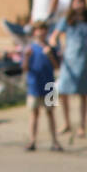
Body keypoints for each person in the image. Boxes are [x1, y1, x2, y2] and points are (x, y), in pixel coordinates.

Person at [51, 0, 87, 146]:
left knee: (83, 94)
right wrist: (57, 48)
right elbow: (54, 37)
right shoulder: (67, 20)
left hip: (85, 61)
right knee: (63, 92)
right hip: (69, 61)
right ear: (72, 4)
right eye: (77, 1)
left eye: (82, 1)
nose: (80, 5)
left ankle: (82, 125)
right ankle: (66, 122)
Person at [22, 21, 63, 152]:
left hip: (49, 84)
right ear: (35, 32)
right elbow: (25, 68)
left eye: (44, 29)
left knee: (50, 112)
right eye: (38, 30)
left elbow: (57, 66)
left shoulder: (51, 48)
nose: (41, 32)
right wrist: (27, 57)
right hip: (34, 84)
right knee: (34, 113)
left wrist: (50, 55)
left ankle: (55, 141)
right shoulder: (30, 48)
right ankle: (32, 140)